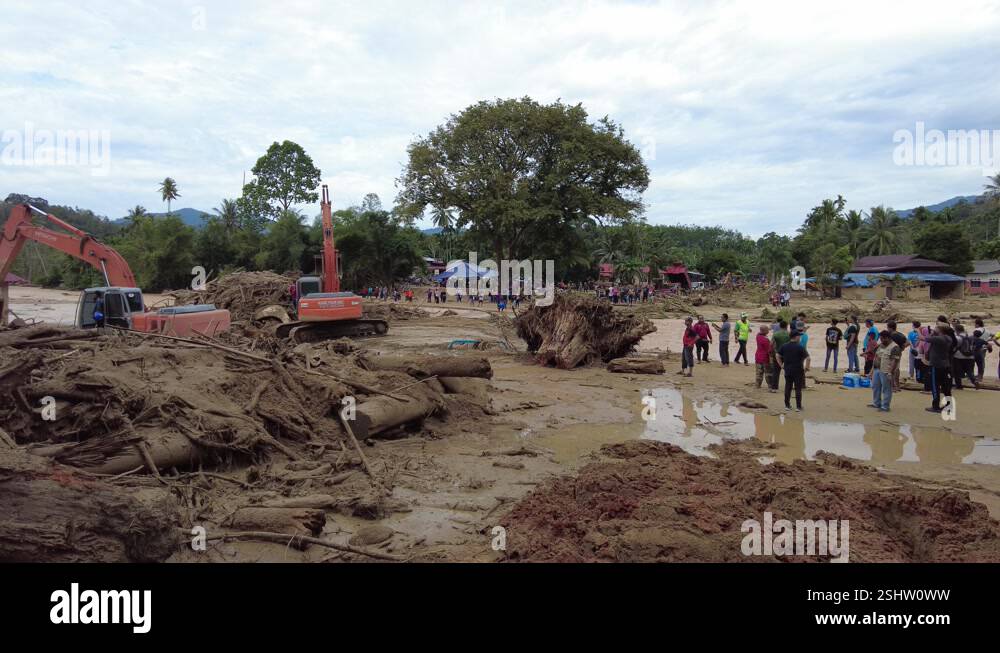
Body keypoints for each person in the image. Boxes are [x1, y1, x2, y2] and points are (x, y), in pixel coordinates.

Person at [921, 324, 955, 413]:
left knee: (935, 386)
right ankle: (949, 405)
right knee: (946, 387)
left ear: (940, 330)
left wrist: (918, 330)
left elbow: (924, 338)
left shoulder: (939, 339)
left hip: (936, 365)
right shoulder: (948, 338)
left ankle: (935, 406)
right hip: (945, 365)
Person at [776, 330, 809, 411]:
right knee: (798, 388)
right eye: (799, 336)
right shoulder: (800, 347)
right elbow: (808, 358)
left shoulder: (784, 346)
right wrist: (807, 368)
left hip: (788, 370)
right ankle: (798, 407)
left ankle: (787, 406)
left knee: (788, 387)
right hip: (798, 370)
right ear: (796, 337)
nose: (800, 337)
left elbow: (777, 355)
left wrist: (781, 365)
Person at [869, 331, 901, 412]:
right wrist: (871, 371)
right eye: (880, 338)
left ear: (887, 338)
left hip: (886, 371)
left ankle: (885, 406)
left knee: (886, 389)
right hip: (877, 369)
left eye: (882, 339)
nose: (881, 340)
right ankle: (876, 403)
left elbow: (895, 361)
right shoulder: (880, 346)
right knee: (875, 387)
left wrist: (890, 372)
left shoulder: (895, 347)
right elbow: (876, 357)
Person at [952, 324, 979, 389]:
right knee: (969, 371)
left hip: (959, 356)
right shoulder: (970, 337)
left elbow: (954, 346)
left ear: (956, 330)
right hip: (970, 356)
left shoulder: (958, 338)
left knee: (957, 372)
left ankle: (959, 385)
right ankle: (974, 381)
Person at [886, 321, 908, 391]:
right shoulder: (900, 334)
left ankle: (892, 386)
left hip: (891, 353)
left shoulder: (891, 335)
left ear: (890, 328)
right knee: (897, 368)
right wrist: (902, 348)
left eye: (888, 327)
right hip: (898, 353)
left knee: (891, 369)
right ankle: (897, 386)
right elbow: (908, 342)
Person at [755, 325, 775, 391]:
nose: (768, 330)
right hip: (765, 358)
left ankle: (758, 385)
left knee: (759, 372)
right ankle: (770, 386)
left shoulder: (758, 336)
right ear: (764, 331)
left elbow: (760, 332)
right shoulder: (765, 340)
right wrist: (771, 359)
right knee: (768, 373)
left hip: (758, 357)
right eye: (767, 330)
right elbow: (769, 350)